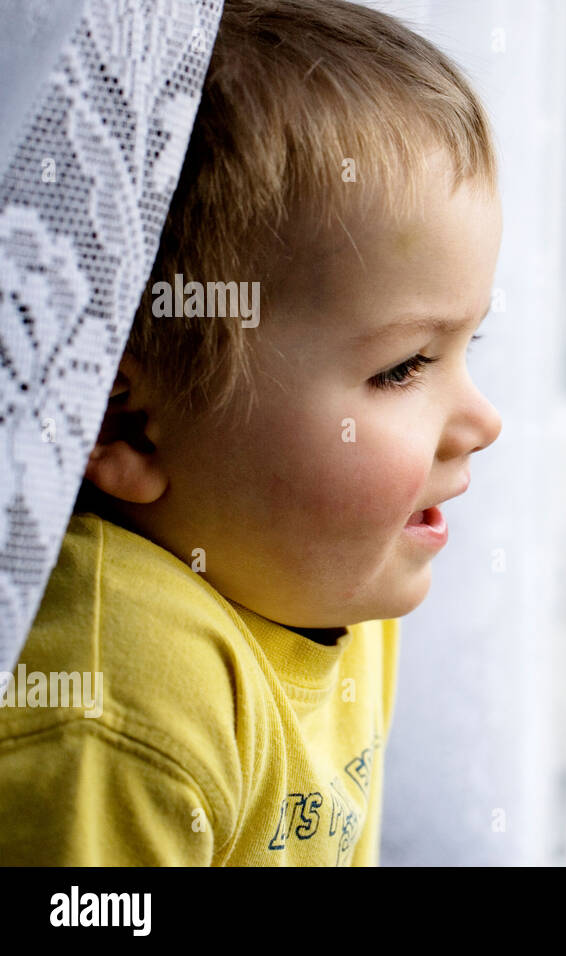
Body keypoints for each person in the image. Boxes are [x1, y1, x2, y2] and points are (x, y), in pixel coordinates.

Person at [0, 0, 502, 865]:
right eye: (403, 368)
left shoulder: (321, 575)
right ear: (126, 421)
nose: (484, 422)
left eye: (468, 344)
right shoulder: (125, 706)